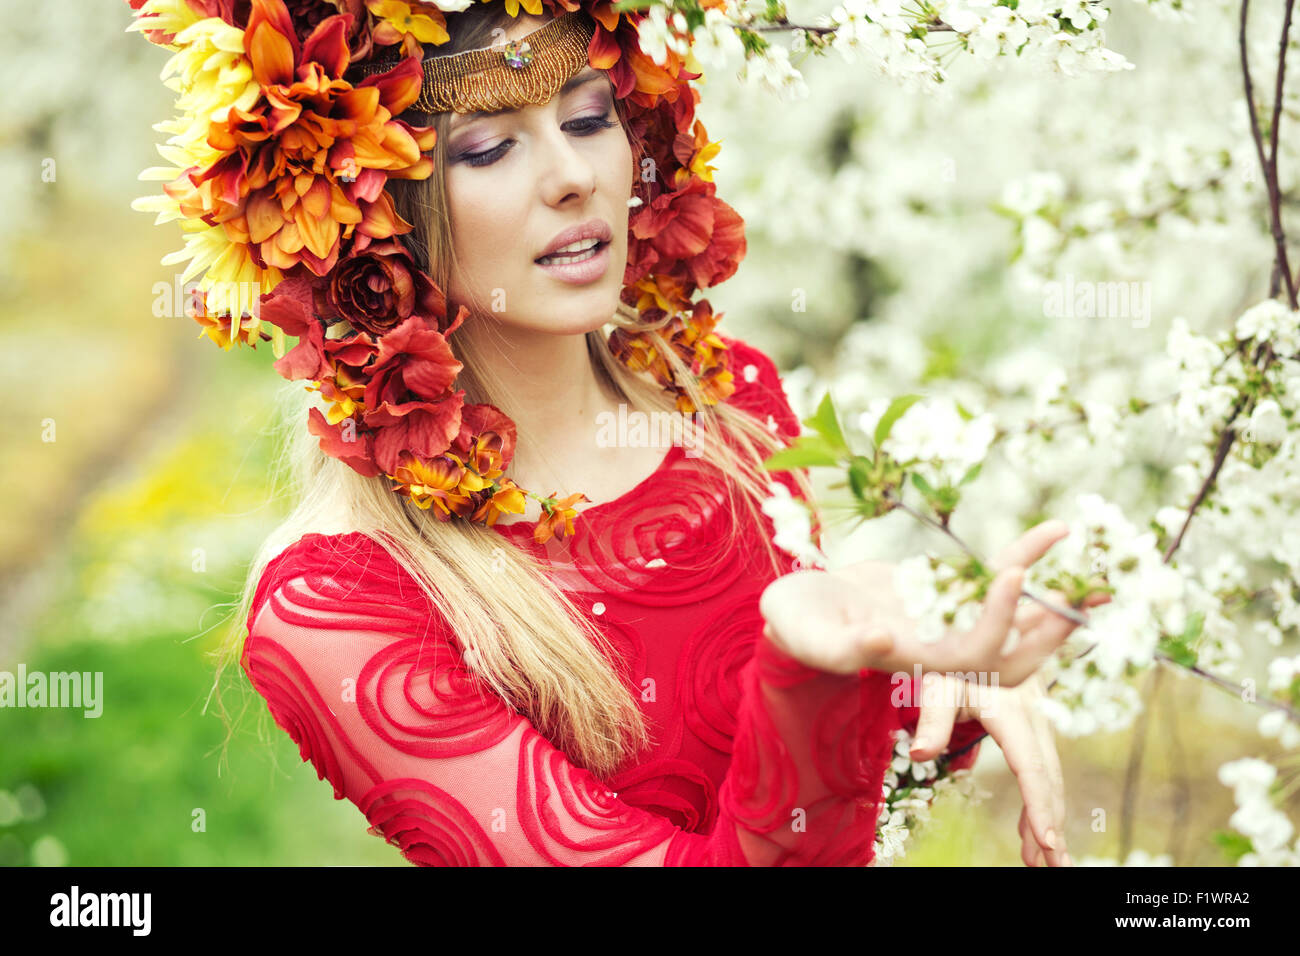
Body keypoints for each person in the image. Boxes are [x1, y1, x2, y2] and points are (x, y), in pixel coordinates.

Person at [186, 1, 1095, 866]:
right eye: (491, 147)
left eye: (587, 120)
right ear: (372, 220)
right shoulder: (343, 606)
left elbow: (833, 796)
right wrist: (812, 666)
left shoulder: (729, 400)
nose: (572, 176)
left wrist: (936, 685)